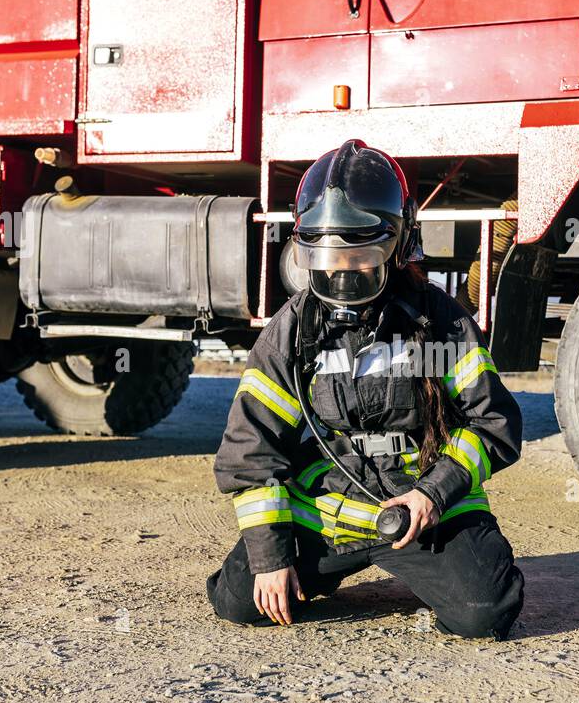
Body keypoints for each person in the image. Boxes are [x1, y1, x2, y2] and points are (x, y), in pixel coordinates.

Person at [207, 140, 525, 640]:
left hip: (421, 510)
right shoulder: (291, 332)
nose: (342, 275)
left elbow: (493, 425)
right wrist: (271, 557)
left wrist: (433, 494)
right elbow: (251, 448)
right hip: (326, 509)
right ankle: (317, 571)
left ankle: (436, 564)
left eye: (360, 256)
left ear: (398, 247)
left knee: (485, 611)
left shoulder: (439, 320)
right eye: (328, 256)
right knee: (238, 602)